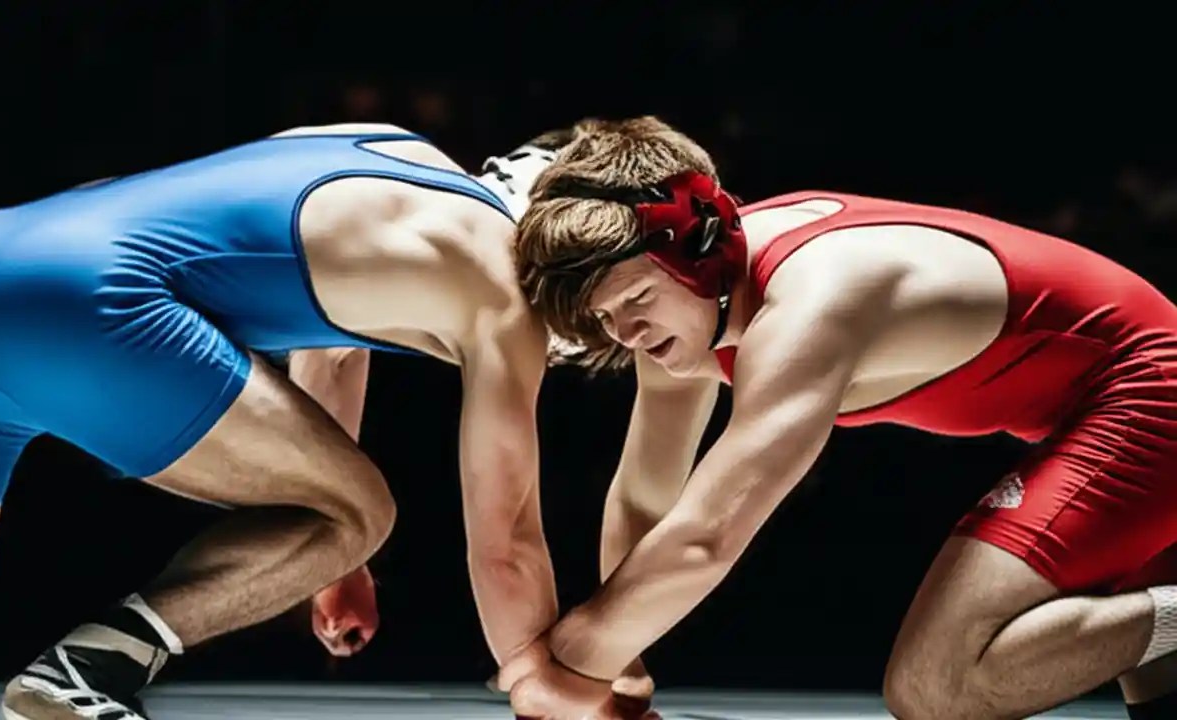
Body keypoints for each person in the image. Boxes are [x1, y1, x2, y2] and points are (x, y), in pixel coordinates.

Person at [503, 116, 1177, 720]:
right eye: (604, 318)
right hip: (1106, 403)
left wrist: (569, 662)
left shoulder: (812, 302)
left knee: (938, 684)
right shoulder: (691, 302)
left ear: (700, 251)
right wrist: (622, 668)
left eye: (637, 301)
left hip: (1150, 391)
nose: (626, 334)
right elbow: (648, 498)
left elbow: (708, 535)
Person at [0, 123, 576, 720]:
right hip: (85, 304)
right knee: (362, 510)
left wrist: (337, 559)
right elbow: (507, 537)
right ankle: (87, 671)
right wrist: (549, 681)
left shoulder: (387, 153)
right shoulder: (500, 274)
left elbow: (334, 356)